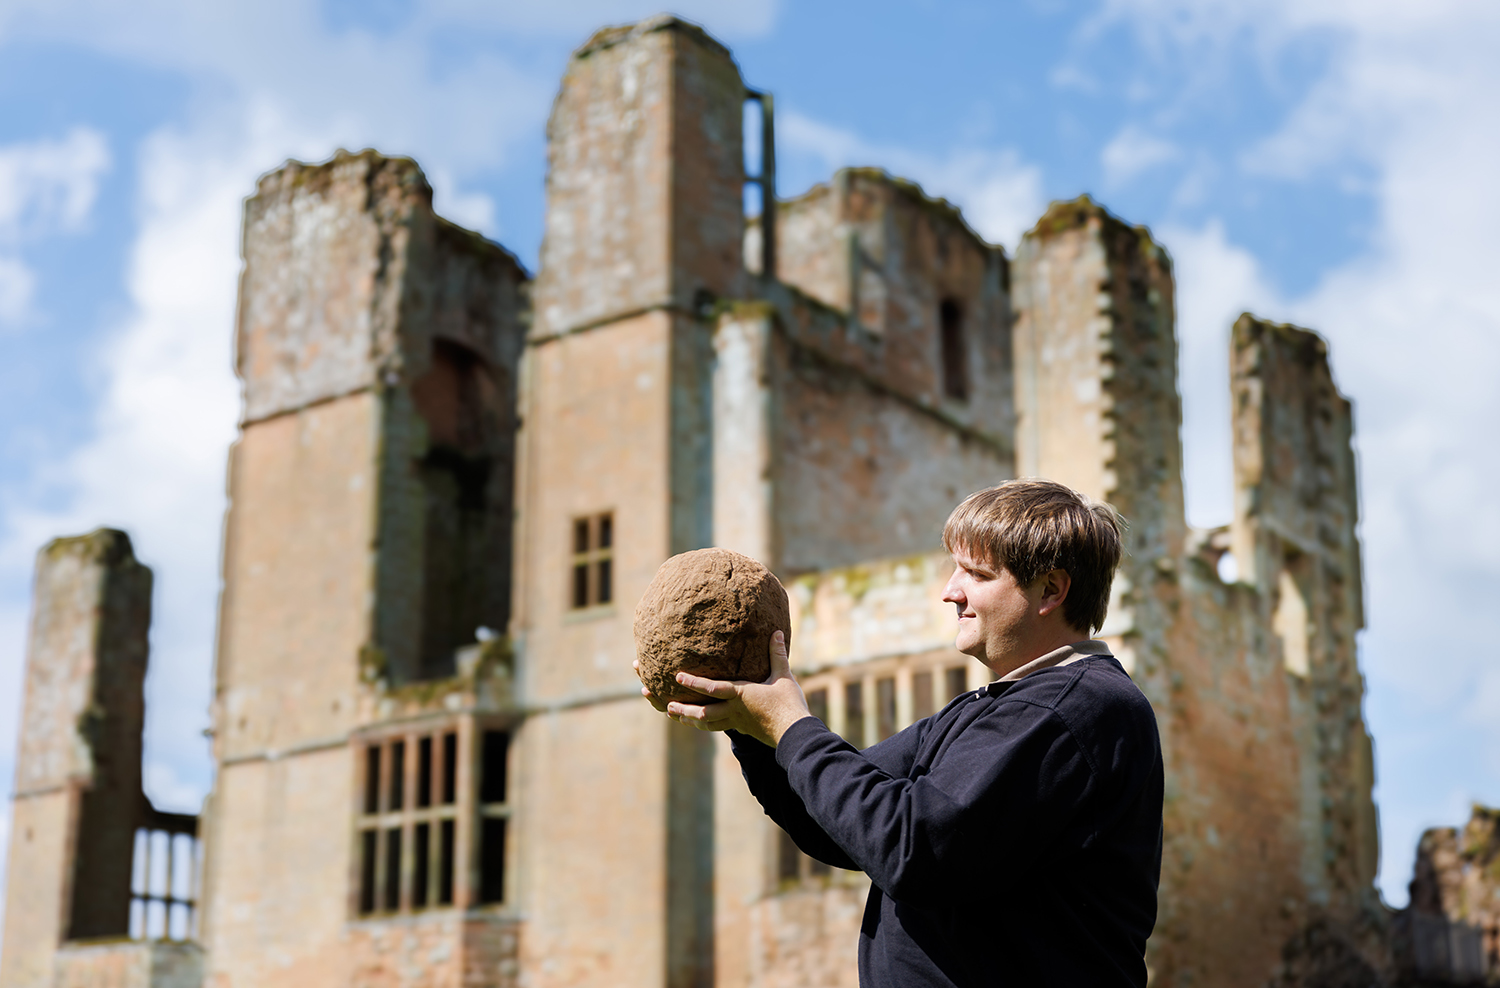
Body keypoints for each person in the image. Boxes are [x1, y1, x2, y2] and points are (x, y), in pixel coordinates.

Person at [640, 479, 1164, 987]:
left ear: (1051, 589)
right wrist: (750, 723)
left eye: (976, 575)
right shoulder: (985, 712)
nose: (949, 592)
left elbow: (914, 849)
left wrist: (792, 723)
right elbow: (841, 824)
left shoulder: (1076, 710)